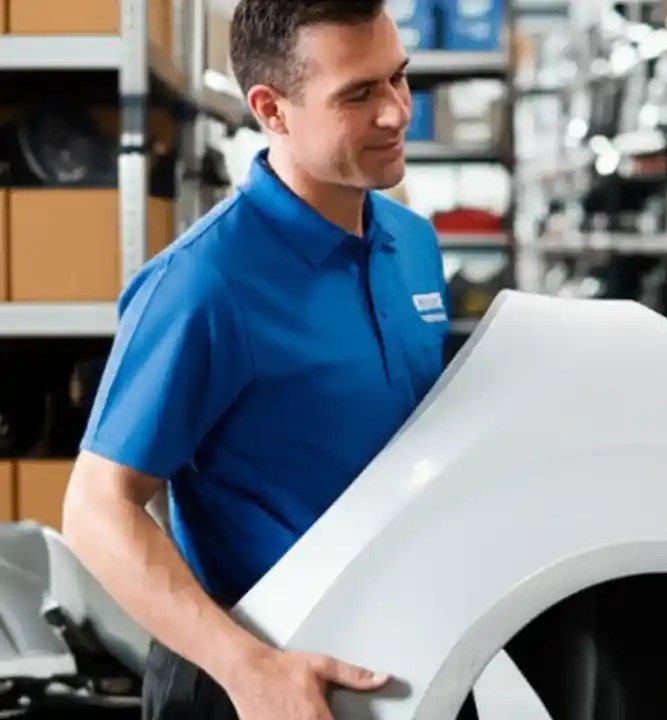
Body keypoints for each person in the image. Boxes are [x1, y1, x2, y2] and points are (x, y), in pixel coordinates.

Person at [60, 2, 453, 719]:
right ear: (273, 109)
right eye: (359, 94)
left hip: (406, 659)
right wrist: (249, 670)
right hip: (254, 681)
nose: (397, 113)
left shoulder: (414, 245)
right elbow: (95, 507)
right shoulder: (204, 282)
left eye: (399, 79)